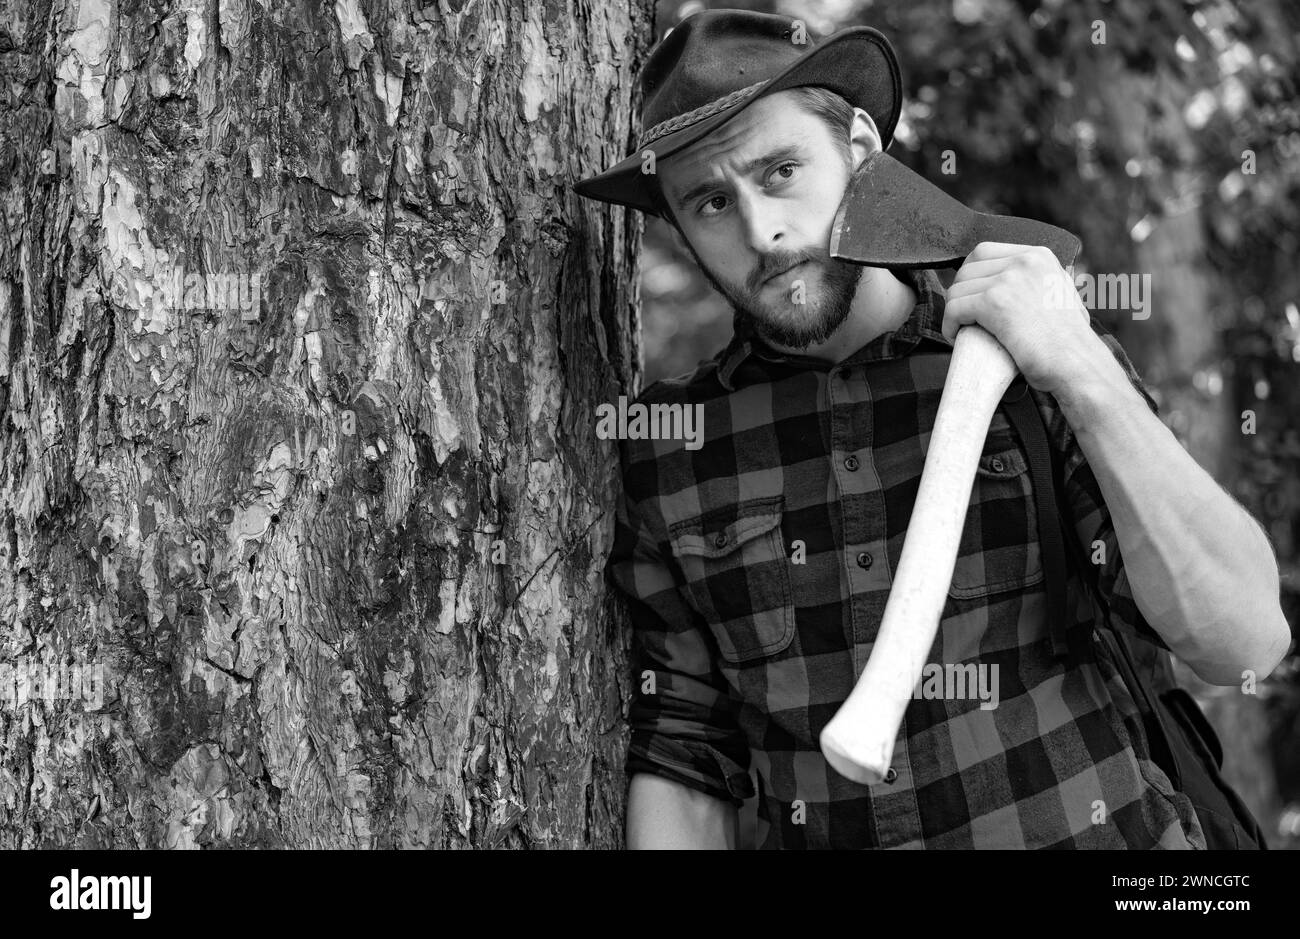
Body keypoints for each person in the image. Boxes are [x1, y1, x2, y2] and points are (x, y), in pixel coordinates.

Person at [572, 8, 1291, 849]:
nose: (762, 233)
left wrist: (1082, 368)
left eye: (781, 171)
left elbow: (1244, 640)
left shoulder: (1032, 361)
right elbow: (688, 756)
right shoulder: (673, 453)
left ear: (863, 152)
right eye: (709, 201)